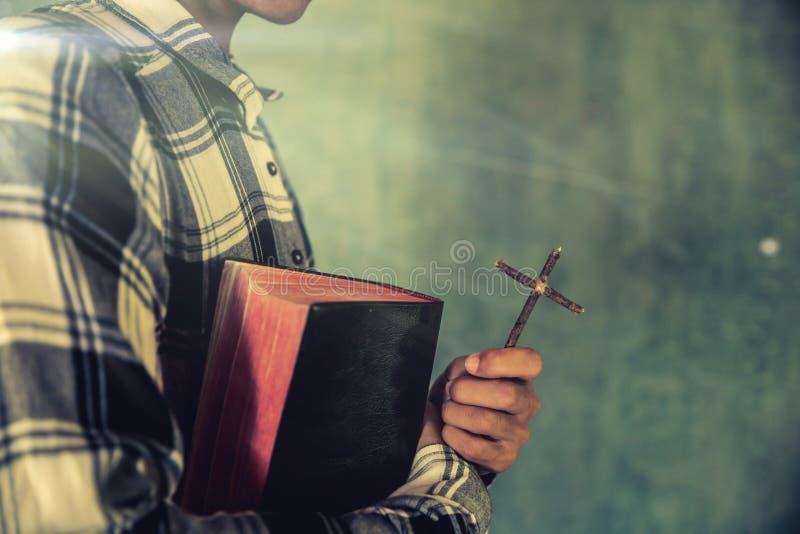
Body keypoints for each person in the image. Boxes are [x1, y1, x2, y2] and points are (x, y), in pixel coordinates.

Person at [0, 0, 543, 531]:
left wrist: (407, 441)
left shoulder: (223, 110)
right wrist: (445, 506)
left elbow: (262, 480)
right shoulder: (50, 79)